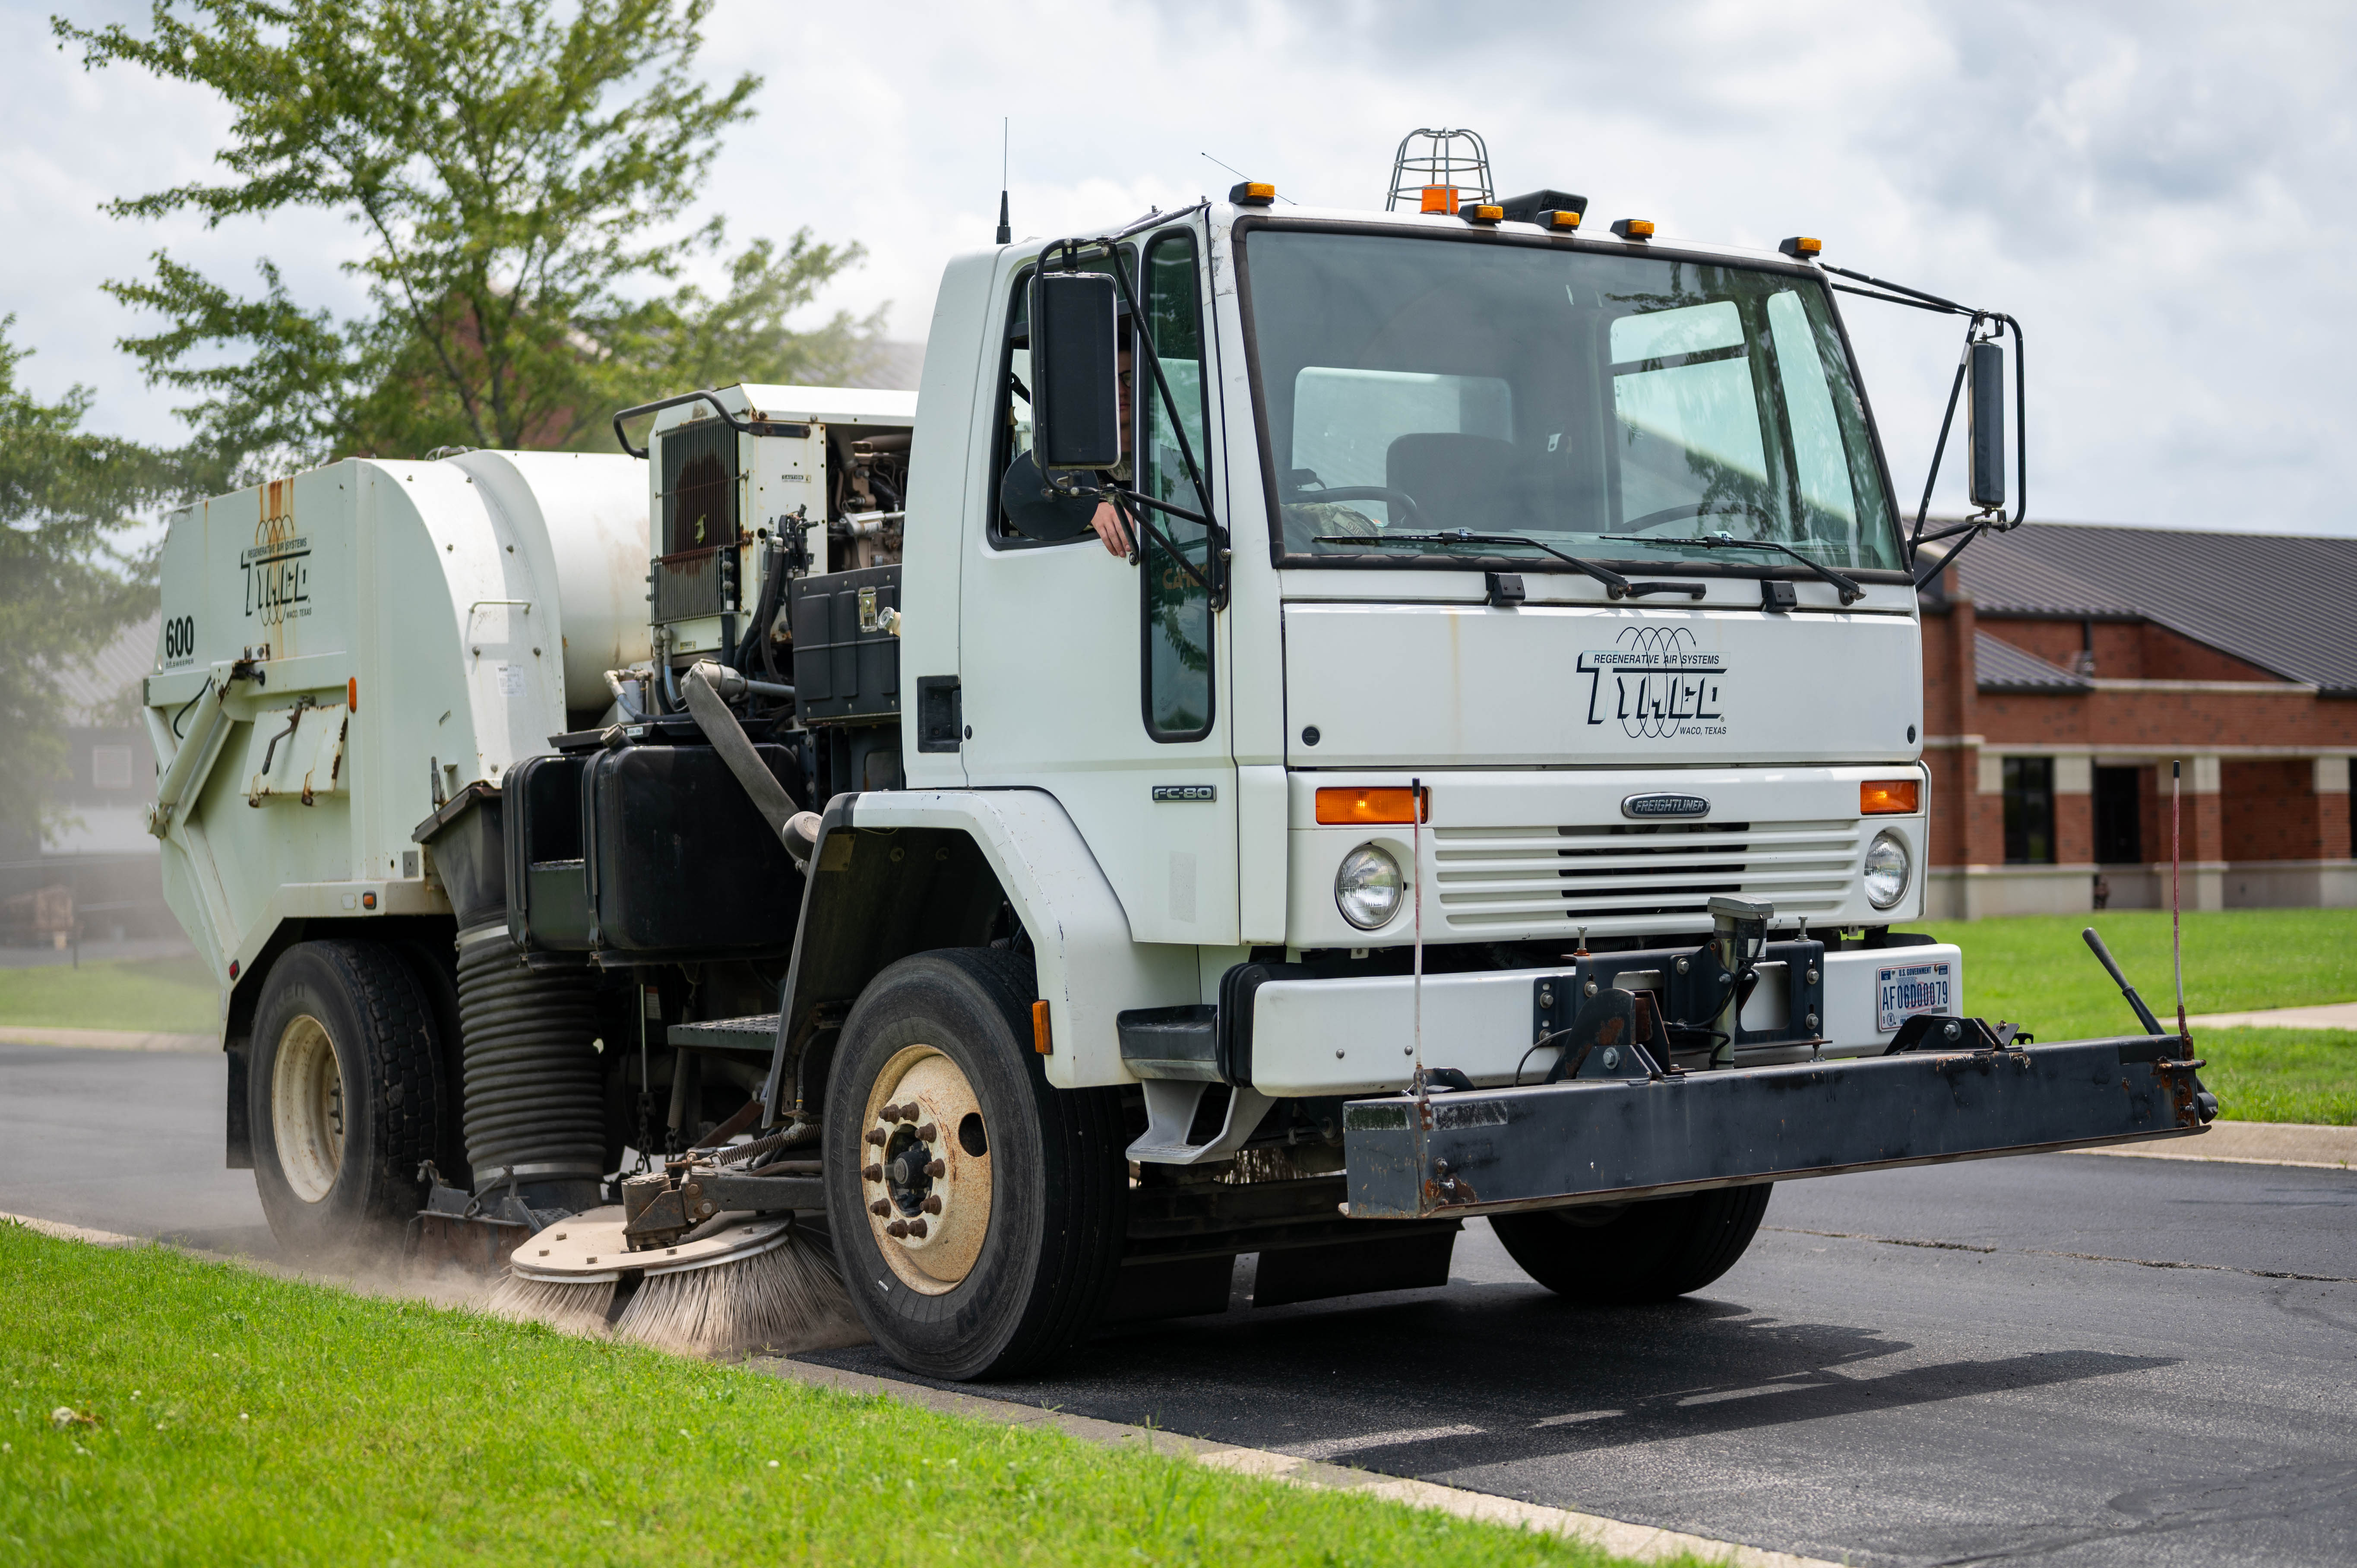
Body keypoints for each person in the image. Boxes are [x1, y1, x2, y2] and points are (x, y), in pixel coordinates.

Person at [999, 338, 1136, 555]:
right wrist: (1092, 511)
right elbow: (1028, 509)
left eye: (1129, 378)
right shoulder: (1065, 465)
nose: (1121, 391)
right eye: (1109, 381)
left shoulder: (1171, 463)